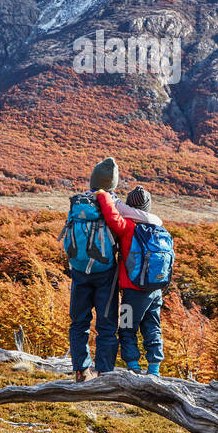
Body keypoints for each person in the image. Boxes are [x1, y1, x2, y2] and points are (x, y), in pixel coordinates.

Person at [95, 185, 165, 376]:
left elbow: (111, 216)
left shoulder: (128, 228)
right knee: (153, 327)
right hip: (155, 290)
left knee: (127, 327)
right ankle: (154, 369)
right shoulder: (159, 228)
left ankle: (133, 366)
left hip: (132, 292)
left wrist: (103, 195)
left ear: (129, 206)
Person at [66, 157, 124, 382]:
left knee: (79, 321)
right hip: (106, 273)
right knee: (107, 323)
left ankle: (81, 370)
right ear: (112, 184)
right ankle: (104, 373)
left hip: (79, 270)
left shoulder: (79, 203)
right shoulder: (112, 203)